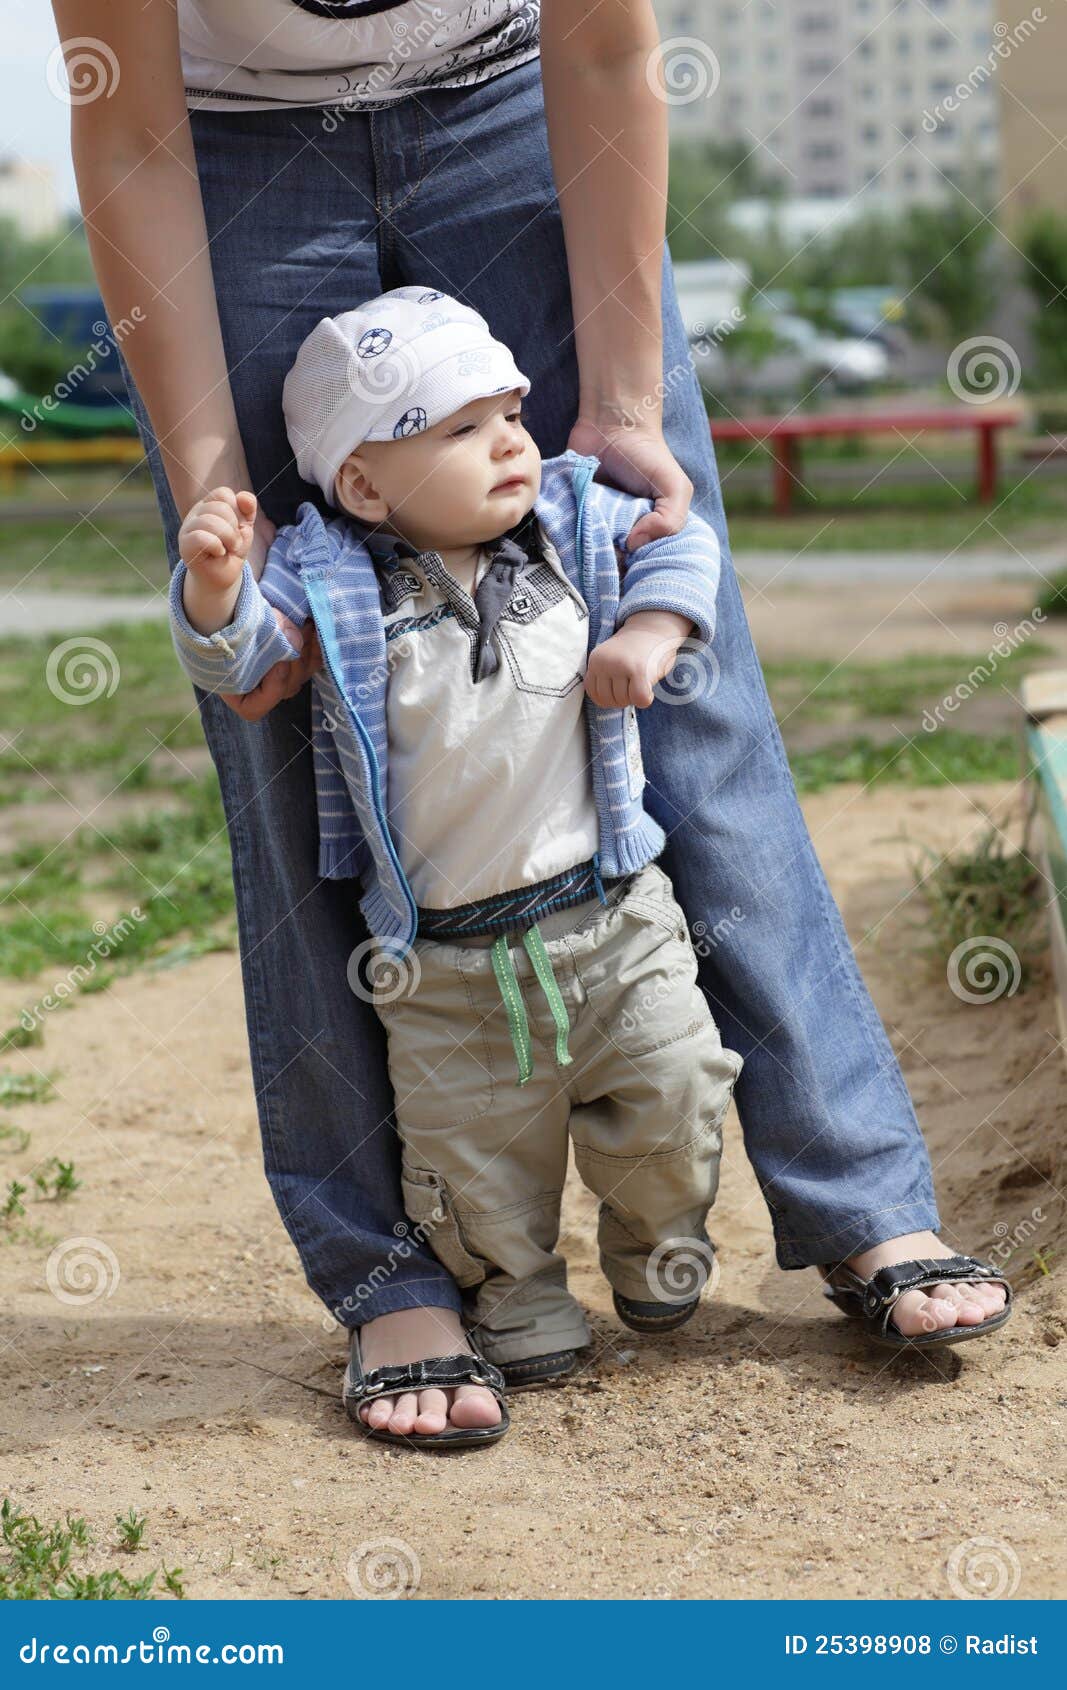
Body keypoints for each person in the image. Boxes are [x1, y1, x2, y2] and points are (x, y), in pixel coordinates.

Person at [53, 0, 1009, 1446]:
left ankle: (858, 1198)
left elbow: (606, 43)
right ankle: (393, 1280)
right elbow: (128, 123)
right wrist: (213, 499)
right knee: (293, 716)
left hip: (506, 105)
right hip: (232, 154)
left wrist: (623, 403)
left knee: (674, 658)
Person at [167, 287, 746, 1448]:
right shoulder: (332, 576)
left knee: (677, 1090)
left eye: (510, 415)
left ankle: (655, 1242)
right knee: (472, 1166)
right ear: (364, 483)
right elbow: (247, 667)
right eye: (461, 429)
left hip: (615, 921)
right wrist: (214, 587)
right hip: (443, 968)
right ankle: (515, 1296)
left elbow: (680, 538)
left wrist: (649, 632)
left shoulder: (571, 516)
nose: (509, 443)